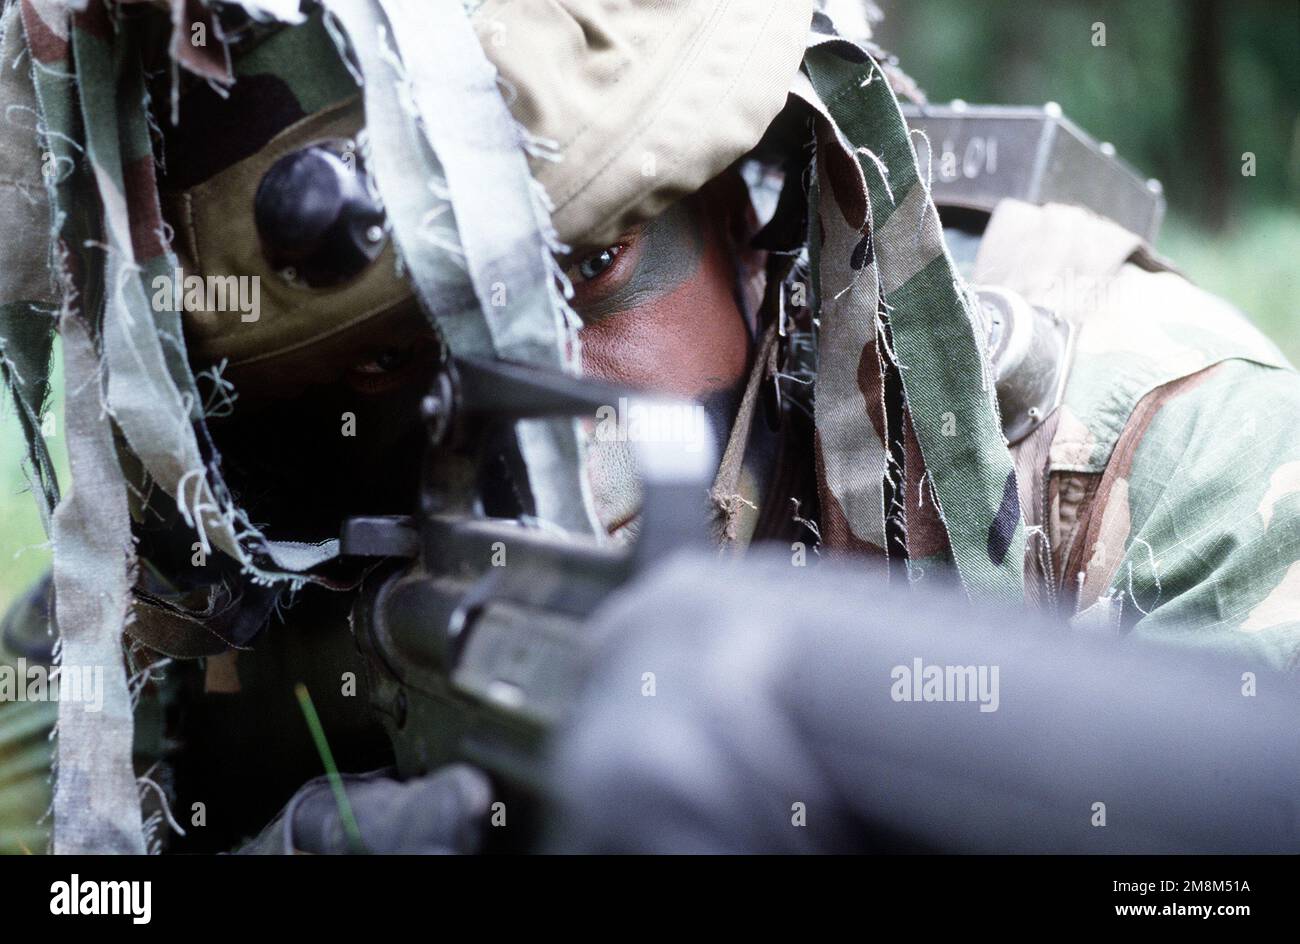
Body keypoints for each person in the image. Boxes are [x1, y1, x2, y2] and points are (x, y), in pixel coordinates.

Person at [0, 0, 1296, 854]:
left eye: (593, 270)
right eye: (382, 363)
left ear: (759, 198)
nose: (534, 442)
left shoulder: (1149, 452)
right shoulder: (142, 637)